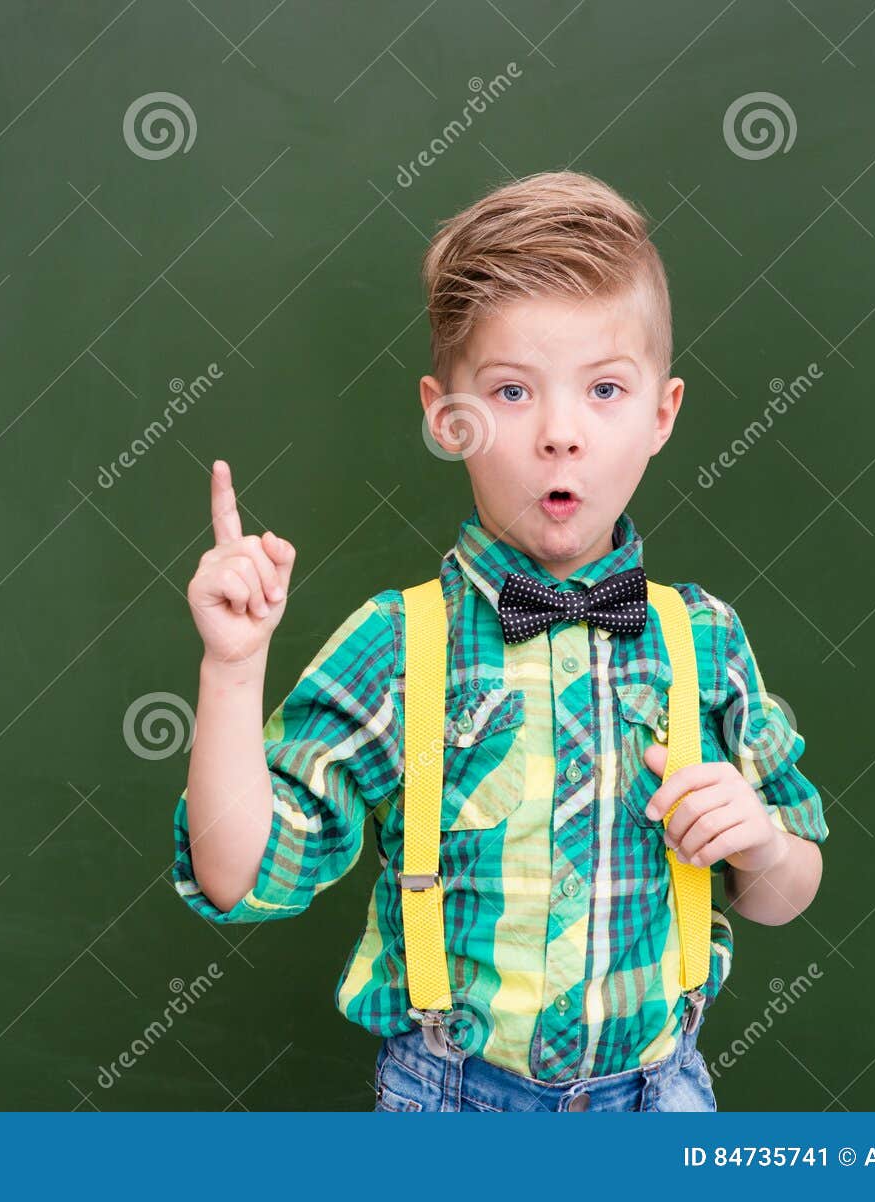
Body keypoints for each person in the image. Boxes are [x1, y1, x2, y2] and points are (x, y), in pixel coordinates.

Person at [170, 171, 828, 1112]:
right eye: (514, 391)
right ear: (449, 420)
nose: (561, 434)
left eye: (605, 389)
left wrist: (760, 848)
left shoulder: (706, 642)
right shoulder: (398, 645)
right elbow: (237, 874)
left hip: (660, 1097)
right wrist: (231, 671)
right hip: (451, 1102)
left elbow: (790, 884)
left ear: (662, 415)